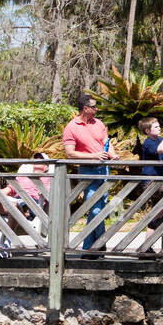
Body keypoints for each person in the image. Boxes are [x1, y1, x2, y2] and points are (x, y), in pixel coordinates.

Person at [62, 94, 120, 253]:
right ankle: (96, 244)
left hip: (104, 170)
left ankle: (94, 247)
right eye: (94, 107)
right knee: (94, 210)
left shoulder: (99, 123)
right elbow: (70, 153)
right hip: (88, 170)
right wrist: (93, 156)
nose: (97, 109)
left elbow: (106, 143)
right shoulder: (71, 127)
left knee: (99, 209)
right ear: (85, 108)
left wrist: (112, 154)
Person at [137, 116, 163, 251]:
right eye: (156, 127)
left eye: (159, 126)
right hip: (152, 182)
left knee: (156, 222)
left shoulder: (162, 140)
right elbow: (161, 150)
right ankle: (158, 214)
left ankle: (145, 248)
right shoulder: (148, 143)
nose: (159, 128)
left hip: (161, 181)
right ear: (147, 131)